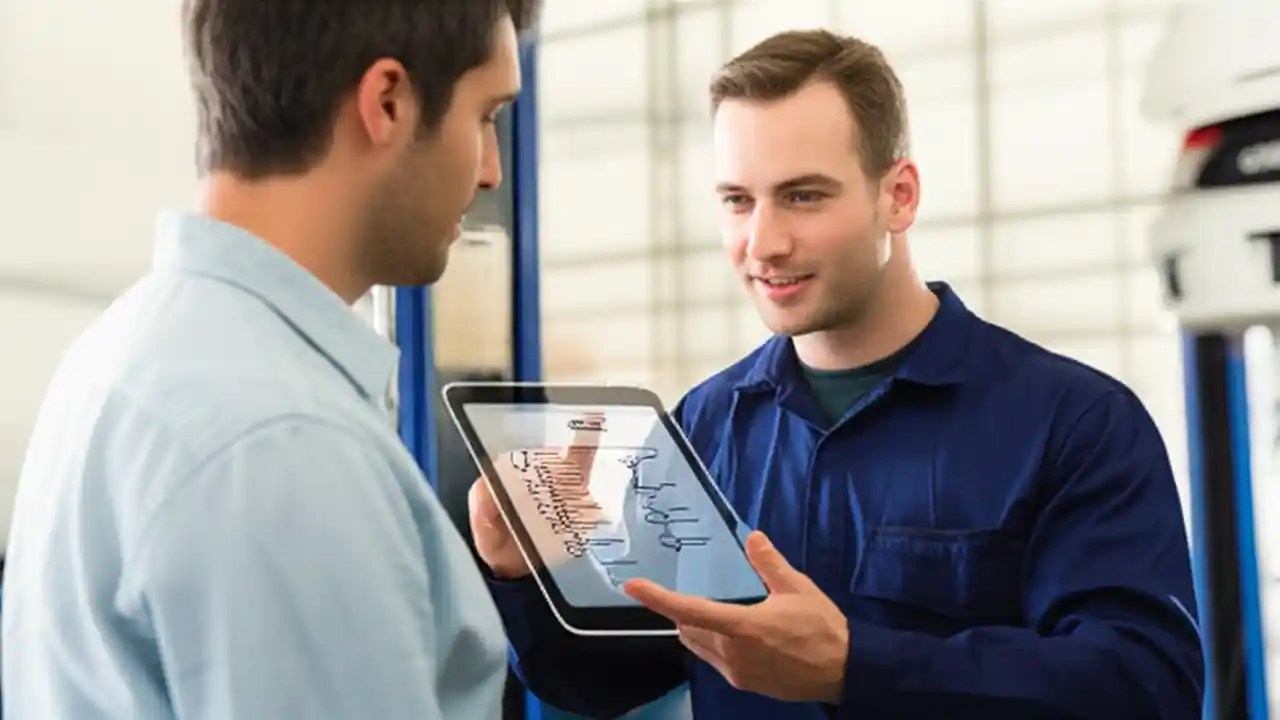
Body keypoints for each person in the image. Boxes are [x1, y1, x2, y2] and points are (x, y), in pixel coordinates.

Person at [469, 28, 1204, 719]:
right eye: (737, 201)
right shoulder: (705, 424)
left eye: (803, 196)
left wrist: (857, 666)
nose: (764, 242)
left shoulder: (1073, 423)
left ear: (900, 195)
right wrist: (524, 575)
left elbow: (1143, 685)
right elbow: (616, 676)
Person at [1, 1, 539, 717]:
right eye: (485, 117)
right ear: (388, 102)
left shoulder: (126, 353)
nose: (491, 173)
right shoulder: (285, 442)